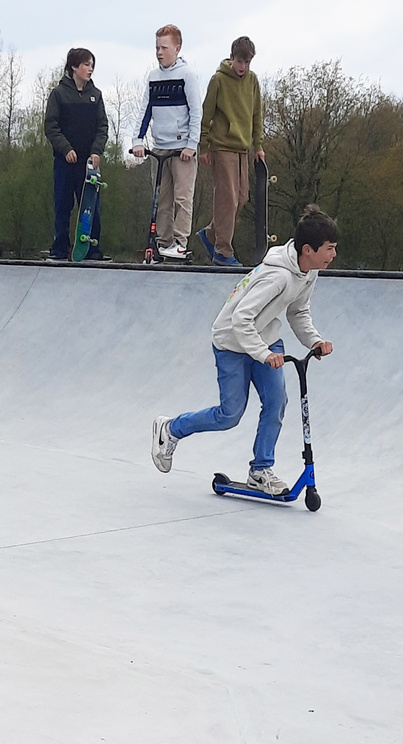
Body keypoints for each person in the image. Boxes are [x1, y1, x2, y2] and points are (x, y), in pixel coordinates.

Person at [151, 206, 339, 493]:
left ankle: (261, 470)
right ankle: (171, 429)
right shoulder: (278, 277)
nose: (333, 255)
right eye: (329, 248)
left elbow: (298, 313)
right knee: (230, 415)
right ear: (308, 250)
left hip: (265, 338)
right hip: (232, 342)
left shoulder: (308, 272)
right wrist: (264, 354)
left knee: (276, 403)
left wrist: (314, 340)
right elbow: (241, 318)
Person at [129, 24, 203, 261]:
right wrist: (138, 140)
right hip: (160, 147)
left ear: (177, 48)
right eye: (157, 48)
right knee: (161, 199)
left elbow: (196, 112)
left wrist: (192, 144)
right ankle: (163, 243)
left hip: (182, 149)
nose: (159, 53)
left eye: (164, 48)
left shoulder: (187, 76)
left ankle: (180, 243)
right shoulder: (153, 78)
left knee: (183, 198)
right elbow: (145, 110)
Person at [197, 36, 265, 268]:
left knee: (242, 198)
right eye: (239, 62)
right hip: (222, 145)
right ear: (232, 58)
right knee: (227, 199)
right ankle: (223, 251)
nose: (243, 67)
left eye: (247, 63)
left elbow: (257, 114)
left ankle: (210, 234)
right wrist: (204, 146)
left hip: (242, 148)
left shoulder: (253, 81)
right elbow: (207, 114)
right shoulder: (218, 80)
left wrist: (259, 145)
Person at [45, 47, 110, 261]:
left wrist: (96, 151)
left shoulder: (96, 95)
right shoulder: (59, 94)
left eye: (92, 65)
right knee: (63, 205)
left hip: (88, 163)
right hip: (65, 162)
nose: (90, 69)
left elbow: (102, 127)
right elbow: (51, 126)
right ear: (74, 66)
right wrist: (66, 149)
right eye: (86, 65)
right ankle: (60, 248)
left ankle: (93, 249)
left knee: (91, 207)